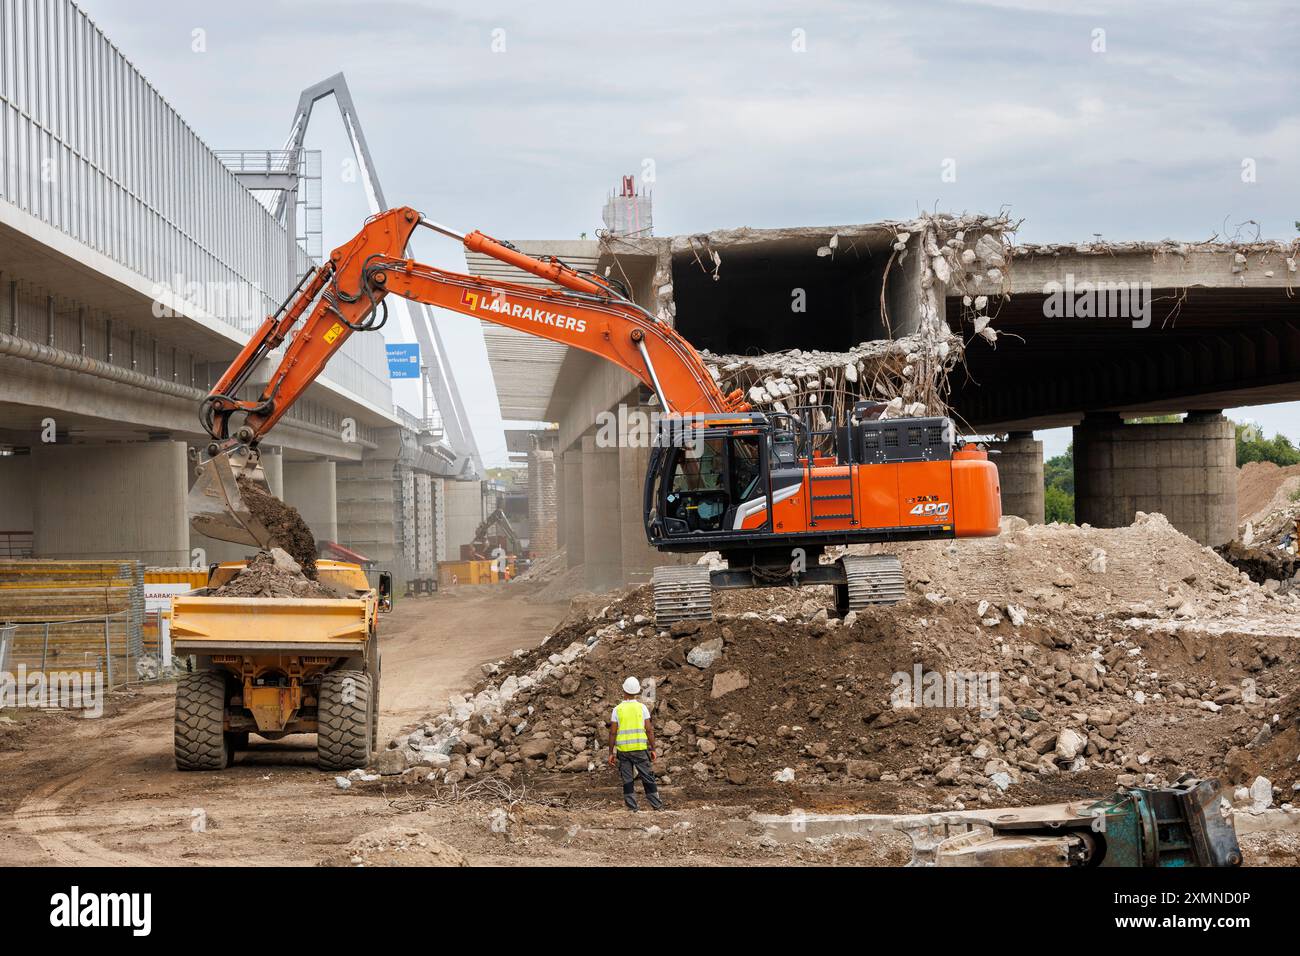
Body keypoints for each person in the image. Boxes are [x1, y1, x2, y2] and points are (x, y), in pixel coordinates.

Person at [607, 676, 663, 811]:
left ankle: (632, 808)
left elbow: (613, 733)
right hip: (640, 749)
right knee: (647, 777)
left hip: (623, 751)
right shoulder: (642, 708)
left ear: (623, 690)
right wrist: (653, 748)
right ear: (637, 692)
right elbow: (649, 730)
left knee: (627, 779)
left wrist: (611, 752)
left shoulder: (617, 709)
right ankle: (657, 806)